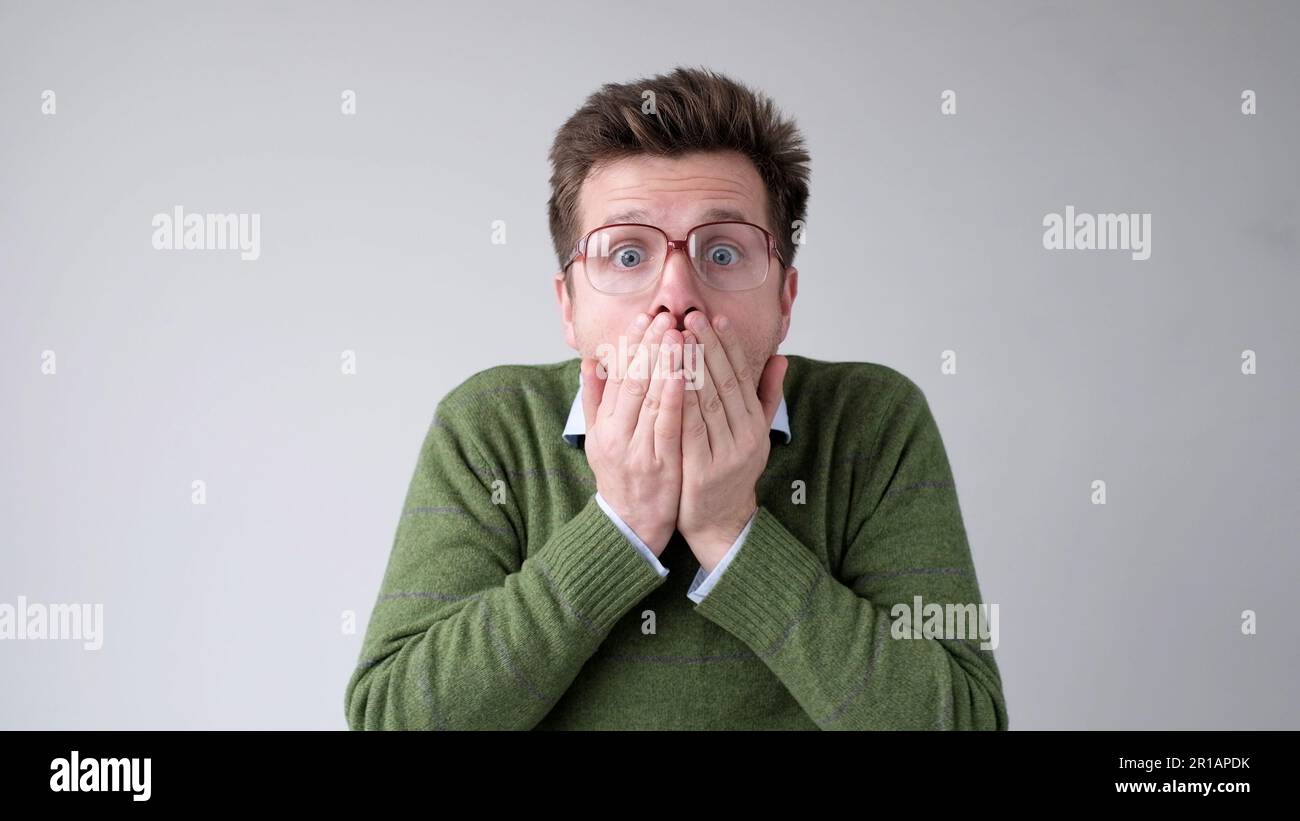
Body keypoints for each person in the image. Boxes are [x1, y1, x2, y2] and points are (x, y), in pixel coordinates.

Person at [345, 66, 1008, 730]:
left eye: (723, 252)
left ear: (785, 298)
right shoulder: (489, 427)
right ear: (569, 306)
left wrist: (731, 531)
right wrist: (620, 523)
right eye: (627, 255)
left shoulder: (872, 423)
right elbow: (394, 720)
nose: (678, 293)